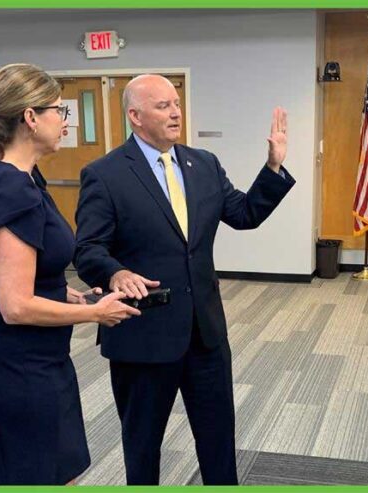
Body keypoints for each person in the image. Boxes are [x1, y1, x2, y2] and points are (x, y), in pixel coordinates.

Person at [74, 74, 295, 485]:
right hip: (143, 335)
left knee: (218, 441)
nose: (175, 112)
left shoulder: (203, 164)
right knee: (142, 445)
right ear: (135, 116)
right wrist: (115, 272)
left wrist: (273, 167)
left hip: (204, 334)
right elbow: (87, 248)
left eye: (176, 103)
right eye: (163, 106)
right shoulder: (104, 174)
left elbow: (245, 214)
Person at [0, 63, 140, 485]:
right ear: (30, 117)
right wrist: (96, 314)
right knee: (34, 478)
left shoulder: (26, 180)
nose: (64, 121)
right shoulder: (8, 188)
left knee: (57, 474)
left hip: (37, 356)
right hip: (12, 363)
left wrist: (66, 294)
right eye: (60, 110)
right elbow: (16, 306)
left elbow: (26, 277)